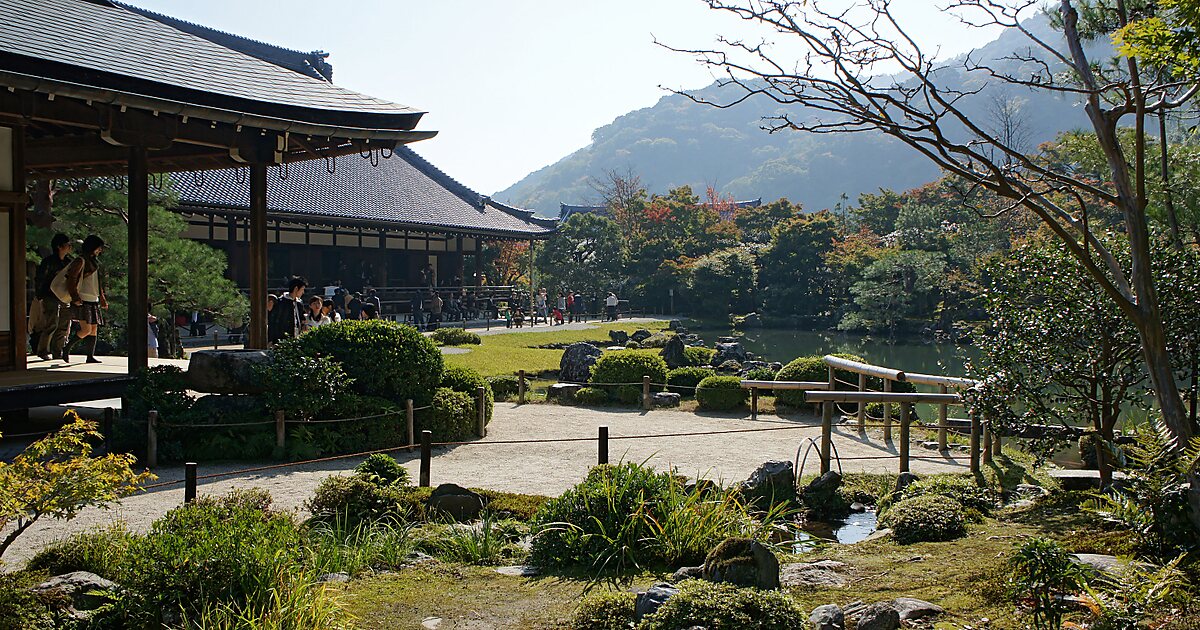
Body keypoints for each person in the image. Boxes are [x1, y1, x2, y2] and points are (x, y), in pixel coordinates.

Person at [52, 234, 107, 363]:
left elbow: (98, 283)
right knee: (86, 329)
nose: (100, 250)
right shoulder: (81, 261)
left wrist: (102, 297)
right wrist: (75, 296)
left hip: (94, 298)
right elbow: (72, 279)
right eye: (98, 248)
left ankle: (90, 356)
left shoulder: (94, 262)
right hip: (83, 298)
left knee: (93, 329)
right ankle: (67, 348)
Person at [33, 233, 73, 361]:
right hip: (50, 295)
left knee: (63, 324)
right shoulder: (48, 262)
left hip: (64, 296)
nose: (69, 247)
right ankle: (43, 350)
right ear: (59, 246)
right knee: (52, 323)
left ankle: (58, 350)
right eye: (67, 245)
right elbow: (40, 279)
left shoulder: (68, 262)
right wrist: (40, 295)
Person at [269, 277, 306, 344]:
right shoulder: (281, 302)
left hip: (297, 337)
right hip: (282, 338)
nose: (303, 292)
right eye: (302, 289)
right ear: (296, 289)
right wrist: (272, 339)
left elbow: (301, 318)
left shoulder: (299, 303)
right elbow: (273, 322)